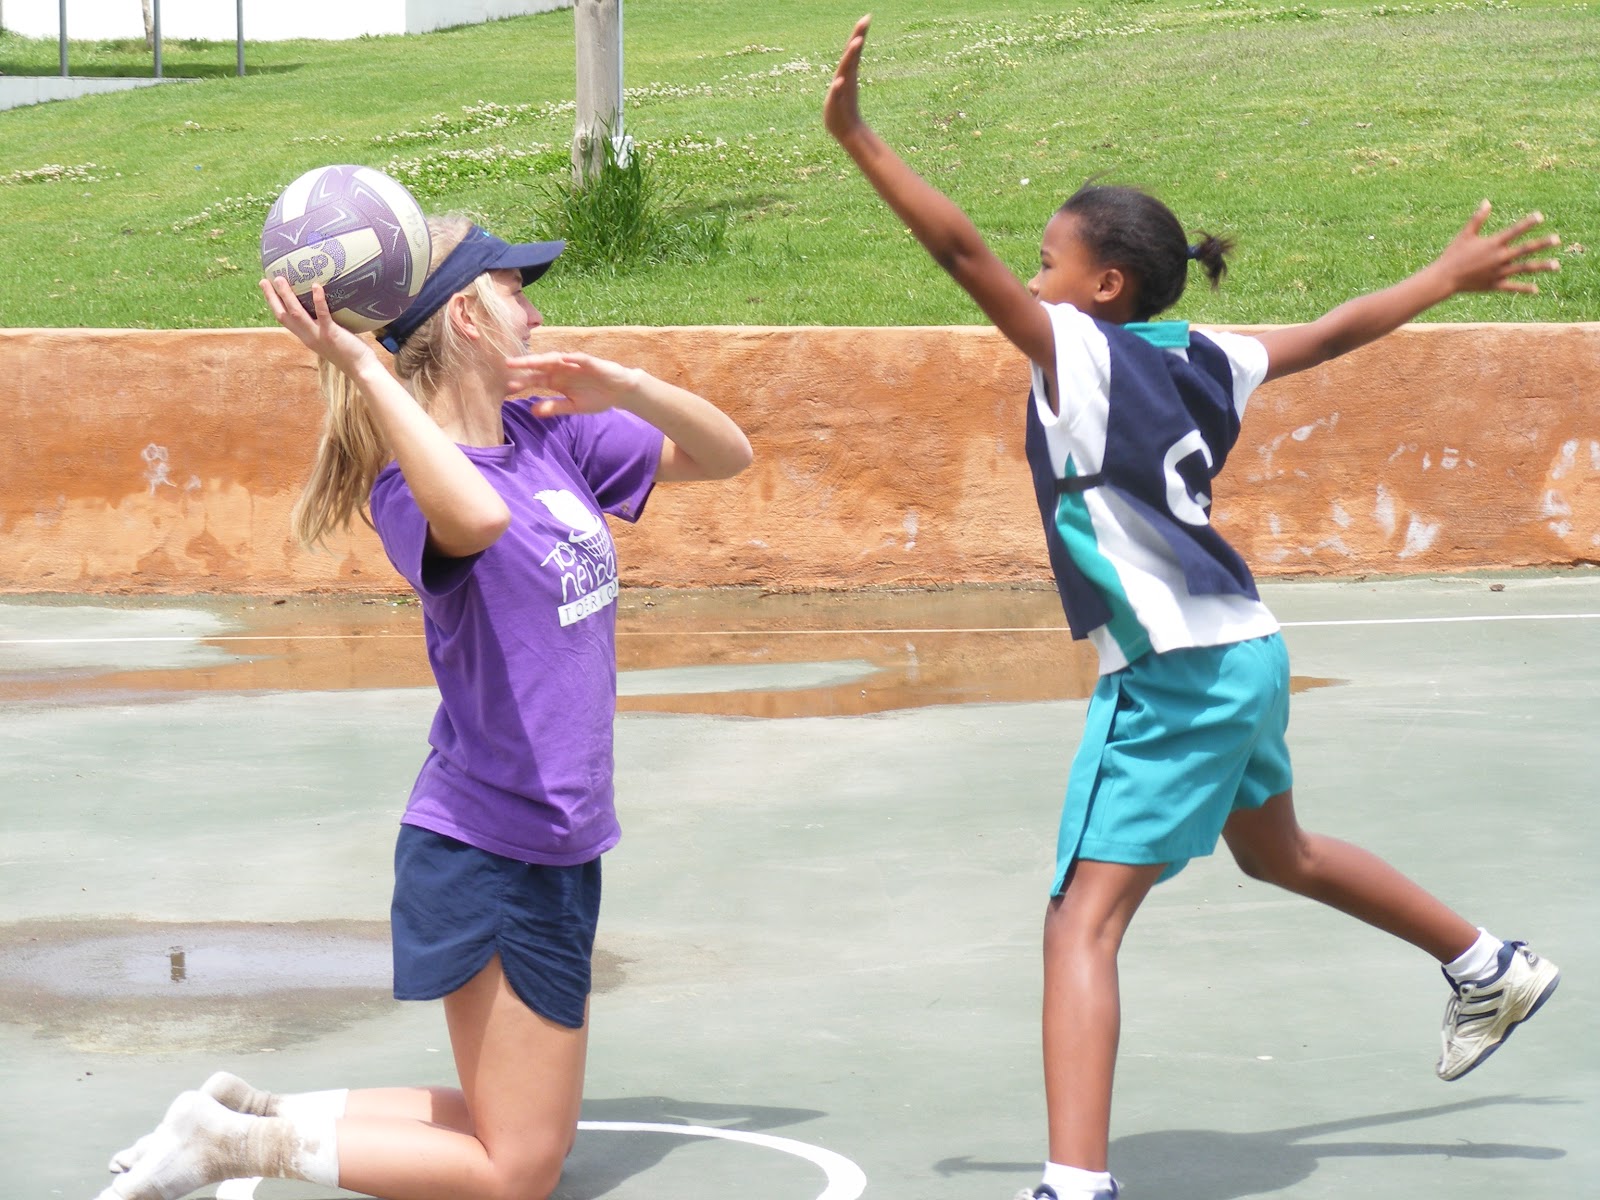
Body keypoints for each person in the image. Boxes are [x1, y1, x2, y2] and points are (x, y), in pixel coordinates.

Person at [824, 15, 1561, 1200]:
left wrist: (858, 137)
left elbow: (958, 252)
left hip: (1169, 674)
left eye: (1047, 262)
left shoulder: (1075, 353)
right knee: (1279, 852)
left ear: (1097, 288)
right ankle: (1486, 962)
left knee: (1081, 924)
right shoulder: (1205, 353)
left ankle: (1075, 1184)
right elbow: (1329, 333)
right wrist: (1440, 277)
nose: (1029, 277)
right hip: (1246, 650)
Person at [94, 215, 752, 1200]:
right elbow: (478, 518)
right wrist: (363, 368)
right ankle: (231, 1151)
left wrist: (627, 387)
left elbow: (727, 454)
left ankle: (249, 1117)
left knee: (526, 1138)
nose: (534, 310)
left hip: (562, 837)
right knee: (515, 1173)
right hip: (488, 845)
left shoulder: (553, 433)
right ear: (462, 320)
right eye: (513, 290)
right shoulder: (410, 490)